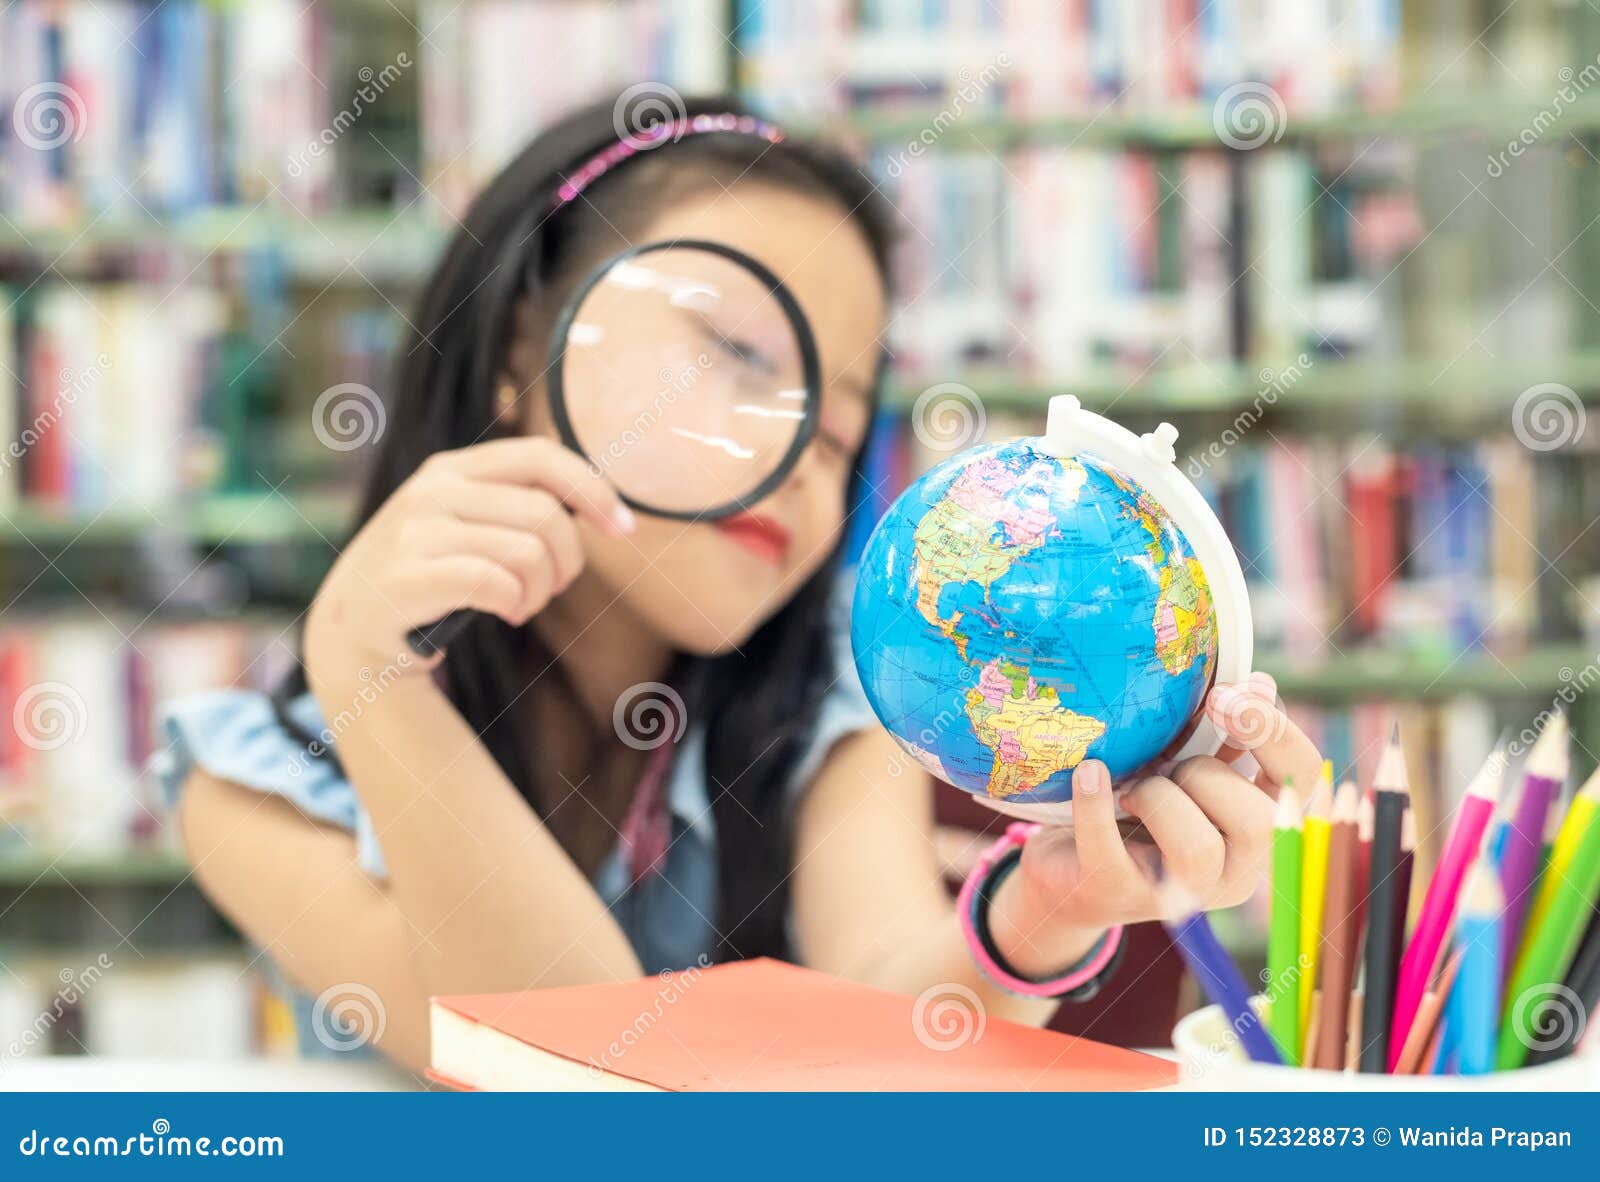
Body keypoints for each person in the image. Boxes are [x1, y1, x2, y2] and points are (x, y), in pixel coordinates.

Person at [156, 94, 1322, 1072]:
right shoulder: (252, 788)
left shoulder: (828, 713)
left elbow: (896, 1013)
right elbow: (566, 1068)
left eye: (839, 430)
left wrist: (1037, 918)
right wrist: (369, 671)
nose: (796, 458)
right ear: (525, 347)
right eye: (738, 356)